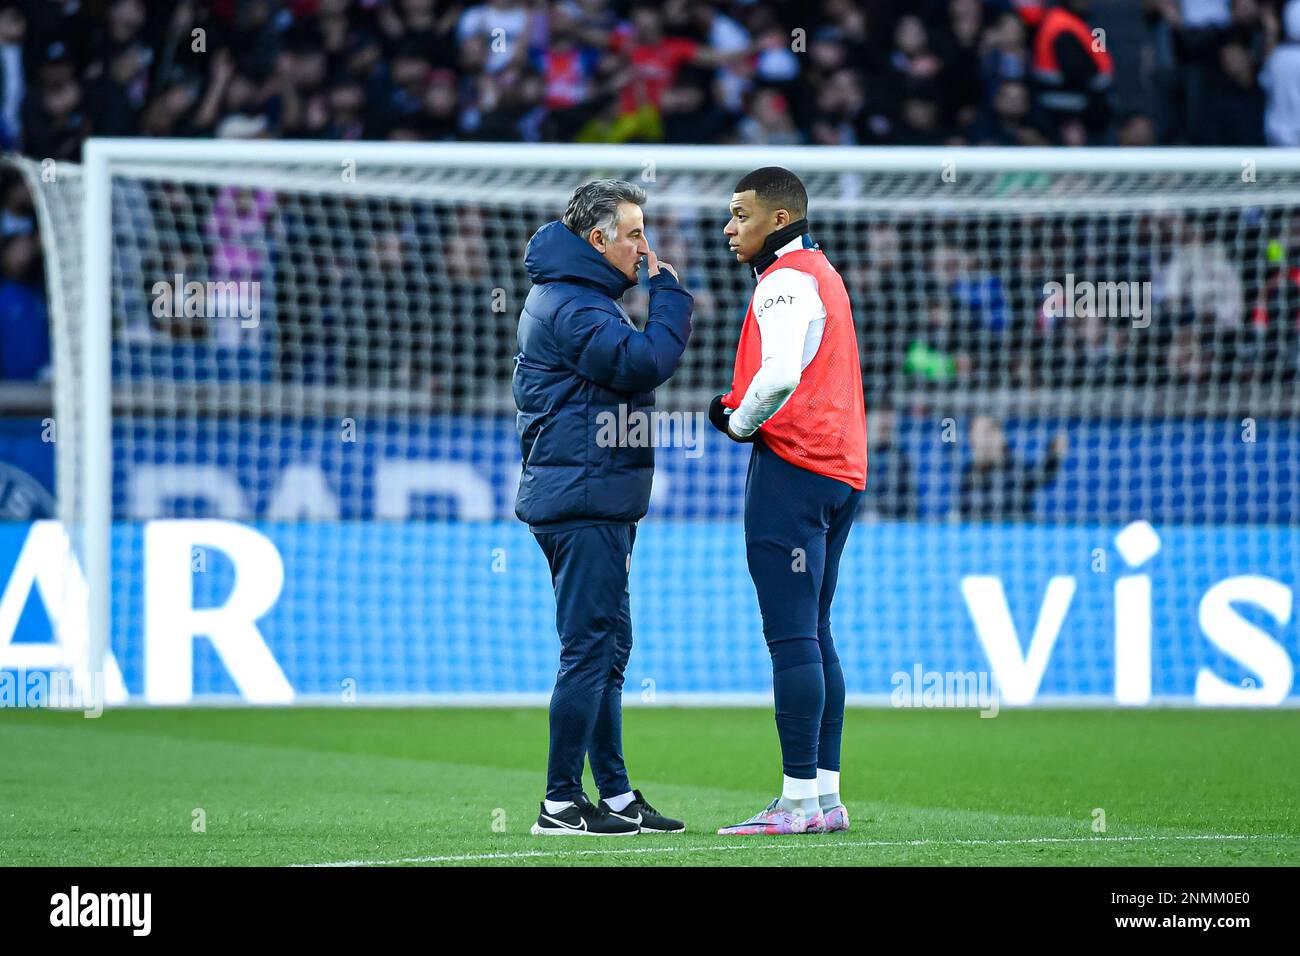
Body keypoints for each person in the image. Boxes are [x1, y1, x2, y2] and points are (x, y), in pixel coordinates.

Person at [515, 179, 692, 835]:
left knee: (608, 650)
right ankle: (560, 802)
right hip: (583, 500)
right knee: (588, 651)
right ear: (598, 240)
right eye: (634, 233)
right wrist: (671, 298)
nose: (643, 247)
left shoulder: (577, 296)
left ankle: (613, 795)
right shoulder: (575, 307)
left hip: (595, 496)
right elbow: (645, 361)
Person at [709, 167, 868, 835]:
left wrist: (738, 421)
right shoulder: (823, 272)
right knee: (816, 631)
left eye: (740, 214)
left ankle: (798, 803)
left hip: (794, 470)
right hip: (841, 474)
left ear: (779, 219)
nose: (727, 227)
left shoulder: (783, 282)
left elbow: (777, 374)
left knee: (791, 636)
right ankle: (825, 798)